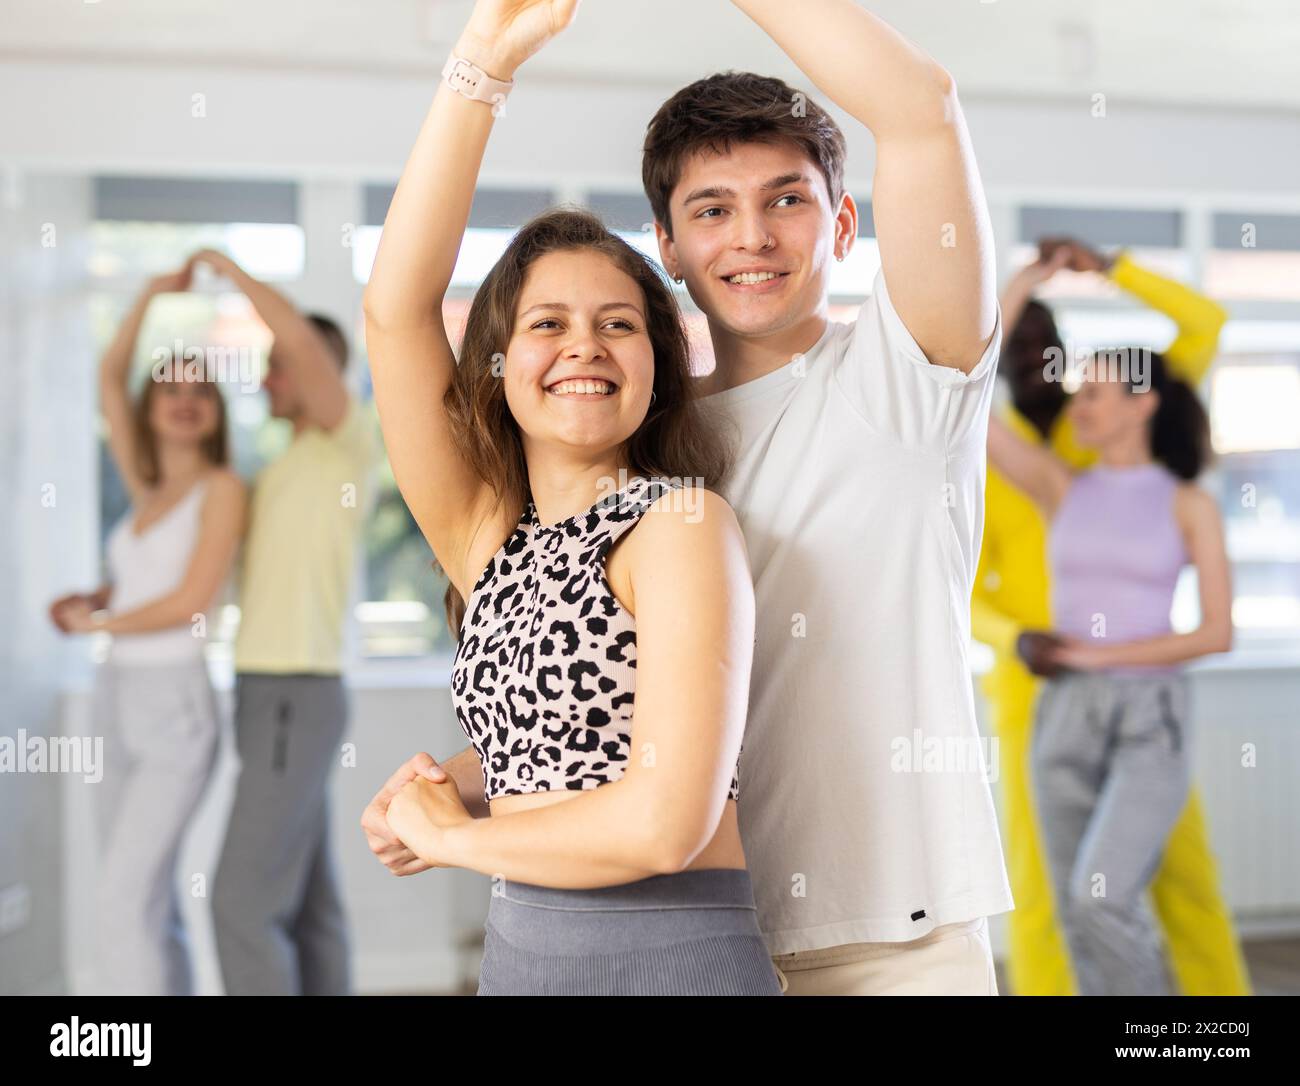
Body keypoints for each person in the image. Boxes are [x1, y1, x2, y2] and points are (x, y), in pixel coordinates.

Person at [378, 0, 1011, 996]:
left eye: (787, 200)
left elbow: (922, 108)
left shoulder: (907, 377)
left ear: (842, 224)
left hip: (890, 942)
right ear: (668, 246)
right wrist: (466, 777)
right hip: (699, 933)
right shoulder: (636, 453)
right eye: (711, 208)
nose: (750, 236)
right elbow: (635, 701)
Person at [359, 0, 781, 996]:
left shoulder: (677, 525)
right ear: (500, 365)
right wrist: (481, 64)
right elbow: (393, 311)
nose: (584, 345)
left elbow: (662, 823)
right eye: (548, 322)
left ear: (656, 365)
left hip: (671, 959)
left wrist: (454, 836)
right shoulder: (486, 538)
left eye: (619, 324)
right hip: (524, 956)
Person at [975, 237, 1250, 995]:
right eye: (1017, 344)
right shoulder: (1058, 482)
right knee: (1064, 901)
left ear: (1138, 400)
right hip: (1046, 703)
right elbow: (959, 393)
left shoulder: (1175, 494)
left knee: (1134, 888)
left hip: (1142, 704)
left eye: (1092, 386)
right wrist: (1022, 280)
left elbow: (1204, 323)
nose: (1075, 394)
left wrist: (1112, 268)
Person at [49, 260, 246, 995]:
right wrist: (147, 298)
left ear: (219, 410)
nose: (185, 400)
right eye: (170, 387)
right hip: (116, 692)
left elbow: (191, 601)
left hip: (175, 706)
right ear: (149, 405)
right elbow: (109, 375)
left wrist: (100, 619)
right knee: (144, 894)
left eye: (201, 389)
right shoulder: (146, 488)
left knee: (121, 896)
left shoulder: (222, 490)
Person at [199, 248, 380, 996]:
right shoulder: (280, 468)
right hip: (269, 693)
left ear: (315, 373)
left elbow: (304, 349)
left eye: (278, 366)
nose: (269, 378)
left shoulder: (347, 443)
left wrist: (226, 269)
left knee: (240, 903)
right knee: (309, 906)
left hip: (292, 692)